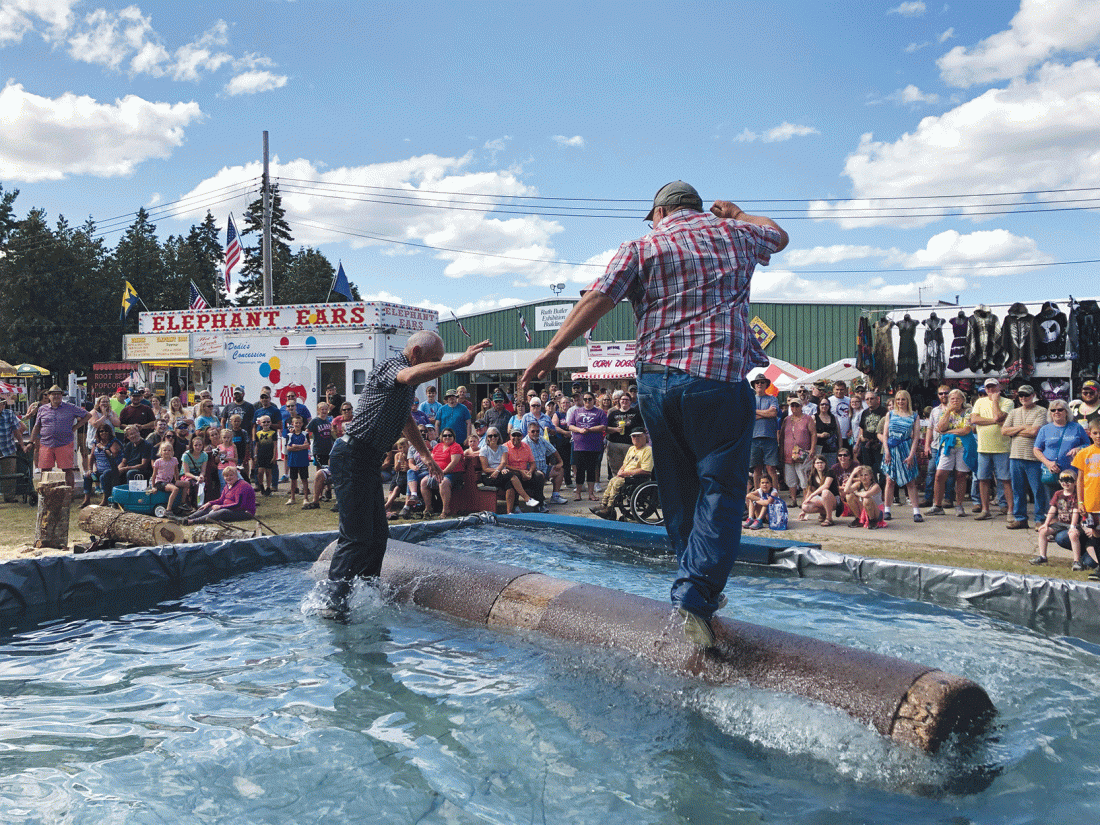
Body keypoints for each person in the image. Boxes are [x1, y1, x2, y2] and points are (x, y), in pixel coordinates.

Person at [520, 180, 788, 648]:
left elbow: (598, 297)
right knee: (720, 490)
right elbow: (779, 235)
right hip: (718, 379)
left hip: (658, 381)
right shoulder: (737, 235)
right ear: (700, 209)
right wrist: (739, 213)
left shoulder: (642, 246)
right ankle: (697, 593)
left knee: (677, 487)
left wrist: (553, 349)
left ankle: (693, 587)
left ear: (660, 213)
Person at [319, 332, 492, 619]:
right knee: (355, 536)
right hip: (351, 456)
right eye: (433, 361)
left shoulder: (404, 387)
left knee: (377, 536)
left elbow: (406, 419)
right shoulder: (391, 367)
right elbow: (410, 375)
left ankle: (366, 592)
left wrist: (424, 454)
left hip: (366, 461)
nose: (435, 368)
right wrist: (459, 362)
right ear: (415, 353)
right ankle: (332, 603)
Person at [1001, 384, 1049, 530]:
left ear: (1033, 395)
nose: (1023, 398)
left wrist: (1015, 431)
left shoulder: (1042, 411)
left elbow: (1035, 431)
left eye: (1026, 395)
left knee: (1038, 490)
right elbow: (1004, 431)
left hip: (1034, 456)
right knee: (1018, 489)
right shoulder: (1014, 412)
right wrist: (1023, 428)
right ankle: (1020, 518)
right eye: (1020, 395)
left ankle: (1040, 519)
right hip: (1015, 455)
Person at [29, 385, 91, 490]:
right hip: (46, 443)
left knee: (68, 470)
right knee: (45, 470)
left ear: (62, 396)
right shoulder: (42, 409)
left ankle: (69, 493)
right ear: (48, 396)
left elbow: (88, 415)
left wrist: (75, 427)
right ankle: (45, 494)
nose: (56, 396)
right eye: (53, 394)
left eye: (58, 394)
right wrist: (31, 441)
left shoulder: (70, 407)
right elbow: (36, 426)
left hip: (65, 443)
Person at [970, 378, 1013, 521]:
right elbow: (974, 420)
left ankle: (1009, 509)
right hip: (983, 447)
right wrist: (995, 422)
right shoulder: (979, 402)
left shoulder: (1008, 402)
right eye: (988, 388)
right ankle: (985, 509)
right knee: (983, 479)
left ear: (999, 387)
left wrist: (995, 401)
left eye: (993, 387)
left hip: (1002, 448)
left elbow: (999, 415)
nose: (990, 390)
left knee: (1005, 479)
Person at [879, 389, 923, 523]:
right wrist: (886, 451)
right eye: (898, 399)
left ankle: (916, 512)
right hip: (891, 450)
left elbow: (916, 438)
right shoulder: (890, 414)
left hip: (906, 449)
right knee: (889, 480)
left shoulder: (914, 416)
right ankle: (887, 510)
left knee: (910, 481)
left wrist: (911, 455)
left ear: (907, 400)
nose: (900, 402)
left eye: (903, 399)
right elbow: (885, 435)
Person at [591, 429, 653, 519]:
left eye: (639, 436)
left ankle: (609, 508)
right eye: (633, 436)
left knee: (617, 483)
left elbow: (646, 470)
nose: (636, 438)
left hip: (637, 477)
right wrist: (620, 471)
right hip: (626, 476)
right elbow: (625, 464)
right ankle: (604, 504)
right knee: (612, 480)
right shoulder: (632, 448)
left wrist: (626, 473)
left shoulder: (648, 450)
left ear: (645, 437)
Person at [1034, 399, 1089, 498]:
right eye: (1053, 410)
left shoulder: (1077, 427)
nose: (1056, 412)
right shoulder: (1045, 429)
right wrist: (1048, 463)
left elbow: (1087, 444)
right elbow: (1036, 449)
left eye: (1060, 410)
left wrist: (1079, 448)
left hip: (1072, 473)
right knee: (1052, 505)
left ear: (1067, 412)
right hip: (1052, 473)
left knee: (1072, 504)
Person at [1032, 469, 1083, 568]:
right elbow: (1052, 509)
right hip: (1060, 523)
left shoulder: (1077, 495)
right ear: (1059, 482)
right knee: (1042, 531)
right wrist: (1046, 524)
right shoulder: (1058, 494)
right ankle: (1042, 556)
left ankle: (1077, 561)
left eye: (1069, 480)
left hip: (1074, 523)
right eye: (1063, 480)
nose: (1065, 483)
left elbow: (1076, 512)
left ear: (1075, 482)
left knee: (1073, 536)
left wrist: (1072, 526)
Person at [567, 391, 607, 501]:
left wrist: (590, 429)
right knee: (579, 470)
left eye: (590, 399)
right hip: (579, 445)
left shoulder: (600, 412)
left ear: (594, 400)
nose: (587, 401)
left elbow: (603, 426)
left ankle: (591, 493)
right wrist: (580, 430)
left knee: (591, 470)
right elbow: (570, 426)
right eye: (585, 399)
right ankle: (578, 493)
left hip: (594, 446)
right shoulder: (576, 411)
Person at [183, 465, 255, 525]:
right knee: (207, 507)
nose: (228, 477)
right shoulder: (228, 485)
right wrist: (209, 503)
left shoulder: (242, 486)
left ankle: (193, 521)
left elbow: (238, 504)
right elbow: (221, 500)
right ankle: (188, 518)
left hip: (244, 512)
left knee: (222, 512)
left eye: (231, 475)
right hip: (228, 508)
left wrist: (220, 507)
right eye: (226, 476)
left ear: (236, 475)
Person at [421, 427, 465, 517]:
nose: (447, 437)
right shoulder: (438, 446)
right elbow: (431, 459)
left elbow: (454, 462)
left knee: (443, 482)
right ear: (441, 436)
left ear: (453, 437)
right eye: (445, 435)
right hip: (437, 473)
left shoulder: (456, 446)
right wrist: (432, 470)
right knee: (424, 482)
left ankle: (445, 510)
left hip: (453, 473)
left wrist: (442, 472)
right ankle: (428, 508)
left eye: (450, 435)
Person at [779, 397, 815, 507]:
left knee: (803, 478)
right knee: (790, 479)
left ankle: (805, 500)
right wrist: (780, 450)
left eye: (797, 405)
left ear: (801, 406)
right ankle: (793, 500)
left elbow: (813, 434)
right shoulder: (787, 420)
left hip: (803, 453)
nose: (794, 408)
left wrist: (812, 449)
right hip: (788, 453)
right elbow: (782, 436)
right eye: (792, 405)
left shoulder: (808, 419)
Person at [523, 420, 566, 505]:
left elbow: (553, 450)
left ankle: (555, 496)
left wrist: (560, 462)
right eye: (533, 431)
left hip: (544, 468)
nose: (535, 433)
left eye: (537, 431)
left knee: (560, 470)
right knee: (539, 475)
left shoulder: (542, 439)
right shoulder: (524, 443)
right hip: (532, 471)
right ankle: (540, 499)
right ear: (528, 432)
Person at [500, 427, 543, 513]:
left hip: (525, 471)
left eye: (518, 435)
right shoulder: (504, 447)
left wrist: (530, 472)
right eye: (514, 435)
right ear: (510, 436)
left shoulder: (526, 446)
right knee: (515, 477)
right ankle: (516, 505)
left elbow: (532, 463)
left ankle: (540, 504)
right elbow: (504, 464)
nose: (516, 437)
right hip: (512, 472)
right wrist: (520, 471)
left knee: (539, 476)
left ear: (522, 436)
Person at [750, 375, 780, 491]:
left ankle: (775, 494)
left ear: (766, 385)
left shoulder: (772, 399)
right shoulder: (751, 399)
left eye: (762, 382)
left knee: (771, 469)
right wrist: (765, 413)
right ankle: (758, 495)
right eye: (757, 382)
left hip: (770, 438)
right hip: (754, 438)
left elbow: (773, 414)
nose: (759, 384)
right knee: (756, 469)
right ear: (754, 385)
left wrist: (755, 412)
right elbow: (748, 417)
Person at [81, 423, 122, 507]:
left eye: (106, 431)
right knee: (87, 476)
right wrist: (90, 469)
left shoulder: (114, 442)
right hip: (99, 470)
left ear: (109, 432)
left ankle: (105, 500)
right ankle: (86, 499)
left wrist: (103, 447)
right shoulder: (96, 442)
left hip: (112, 470)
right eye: (101, 431)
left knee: (104, 476)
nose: (104, 433)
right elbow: (92, 456)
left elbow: (112, 454)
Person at [605, 392, 644, 478]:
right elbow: (605, 429)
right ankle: (617, 486)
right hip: (615, 444)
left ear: (630, 401)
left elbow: (642, 428)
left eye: (627, 400)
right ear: (619, 401)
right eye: (622, 399)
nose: (624, 401)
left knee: (631, 468)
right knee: (616, 469)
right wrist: (615, 429)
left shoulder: (637, 413)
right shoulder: (613, 414)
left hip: (631, 445)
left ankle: (628, 488)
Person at [0, 395, 27, 503]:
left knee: (10, 474)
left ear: (3, 405)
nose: (1, 406)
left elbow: (17, 431)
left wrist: (22, 445)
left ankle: (9, 496)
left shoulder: (9, 414)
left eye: (2, 404)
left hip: (8, 448)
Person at [799, 455, 837, 526]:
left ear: (825, 463)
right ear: (814, 465)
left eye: (822, 462)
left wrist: (812, 495)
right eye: (817, 463)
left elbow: (826, 486)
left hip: (833, 499)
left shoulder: (830, 472)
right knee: (805, 506)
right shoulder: (812, 476)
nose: (820, 465)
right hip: (821, 500)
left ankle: (829, 519)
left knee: (825, 492)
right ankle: (823, 513)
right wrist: (803, 511)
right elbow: (809, 492)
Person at [284, 416, 309, 506]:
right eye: (296, 423)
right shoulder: (289, 435)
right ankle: (292, 498)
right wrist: (301, 447)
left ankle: (305, 498)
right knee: (293, 480)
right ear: (293, 424)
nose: (298, 424)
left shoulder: (305, 434)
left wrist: (296, 446)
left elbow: (307, 446)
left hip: (303, 461)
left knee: (304, 479)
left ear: (302, 424)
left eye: (299, 423)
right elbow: (289, 448)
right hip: (293, 461)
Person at [253, 415, 277, 495]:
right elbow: (256, 445)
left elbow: (275, 445)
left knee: (268, 472)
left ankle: (268, 487)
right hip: (261, 455)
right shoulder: (258, 433)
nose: (266, 423)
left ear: (270, 423)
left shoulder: (273, 433)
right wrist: (255, 455)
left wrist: (274, 456)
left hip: (269, 455)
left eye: (268, 422)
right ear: (260, 423)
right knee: (260, 472)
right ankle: (261, 485)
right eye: (264, 422)